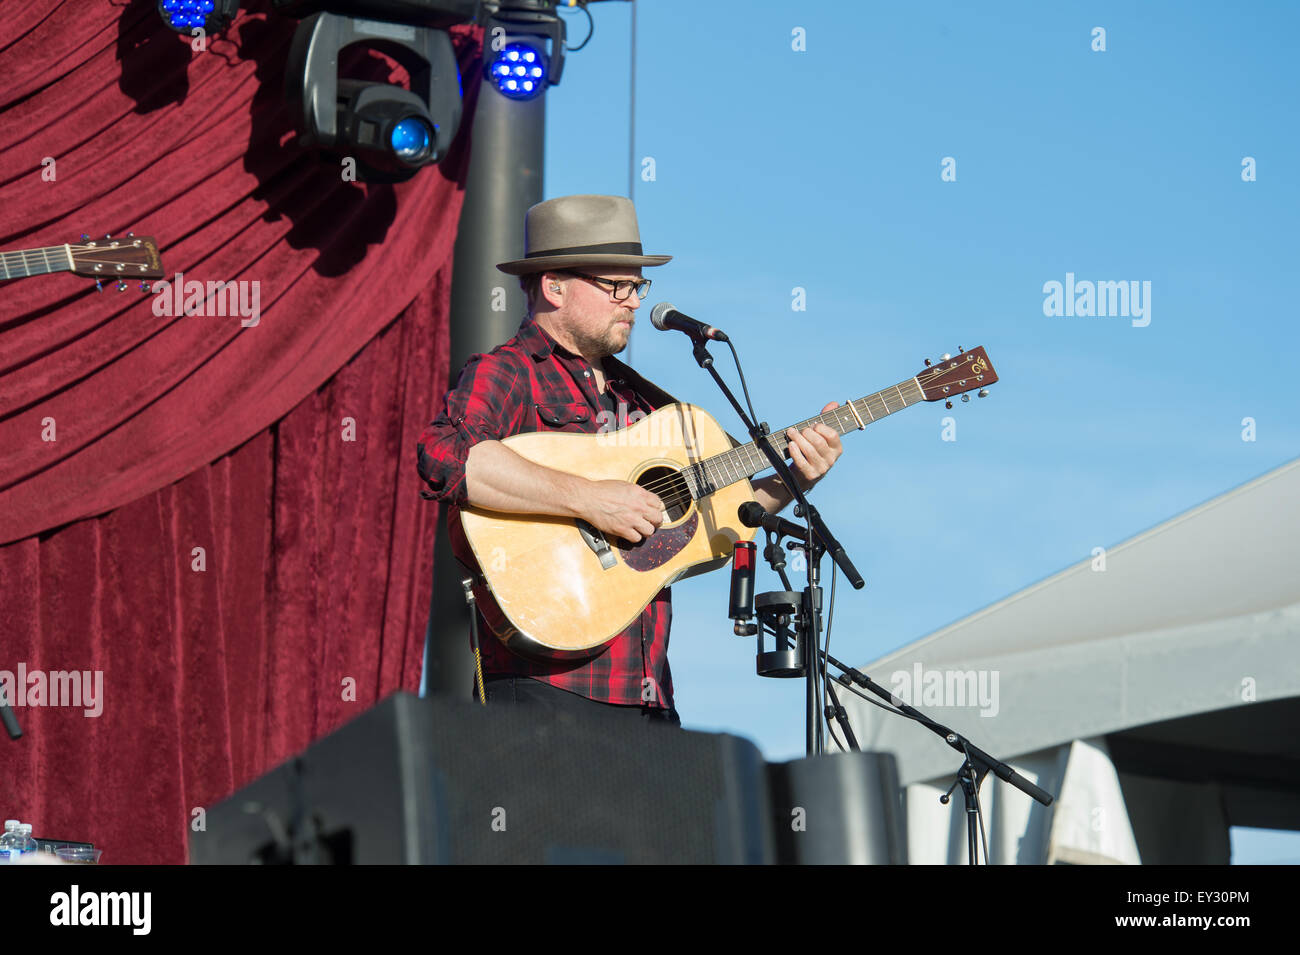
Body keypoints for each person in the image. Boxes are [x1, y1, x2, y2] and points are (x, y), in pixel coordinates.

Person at [417, 194, 843, 727]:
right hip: (543, 690)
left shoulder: (649, 407)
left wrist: (794, 478)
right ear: (554, 286)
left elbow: (724, 518)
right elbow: (447, 457)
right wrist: (591, 500)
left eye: (638, 286)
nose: (634, 302)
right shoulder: (508, 372)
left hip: (649, 695)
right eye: (616, 286)